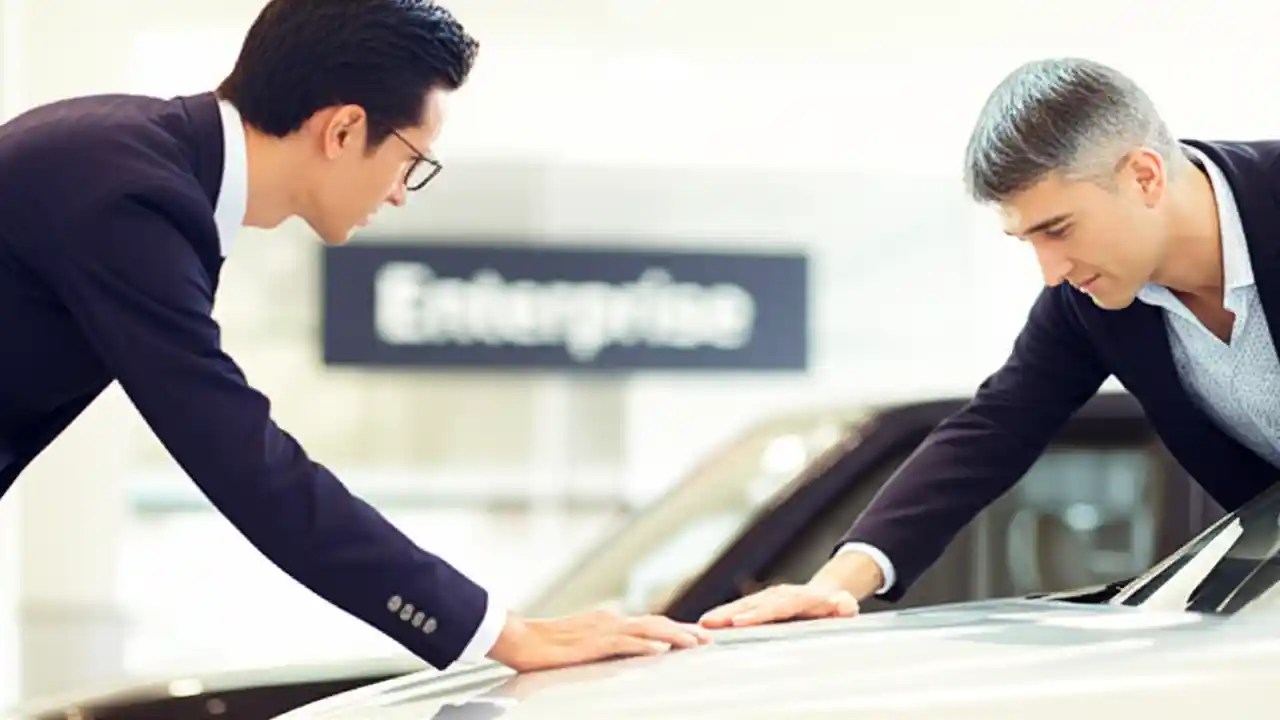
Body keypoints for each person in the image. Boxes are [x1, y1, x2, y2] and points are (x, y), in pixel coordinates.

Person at [0, 0, 709, 673]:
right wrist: (501, 633)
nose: (401, 191)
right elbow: (244, 463)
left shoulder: (134, 156)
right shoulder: (130, 196)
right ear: (341, 131)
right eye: (412, 159)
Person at [700, 56, 1280, 629]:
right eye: (1027, 239)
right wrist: (833, 585)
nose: (1051, 271)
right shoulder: (1092, 300)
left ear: (1144, 177)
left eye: (1058, 229)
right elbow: (997, 424)